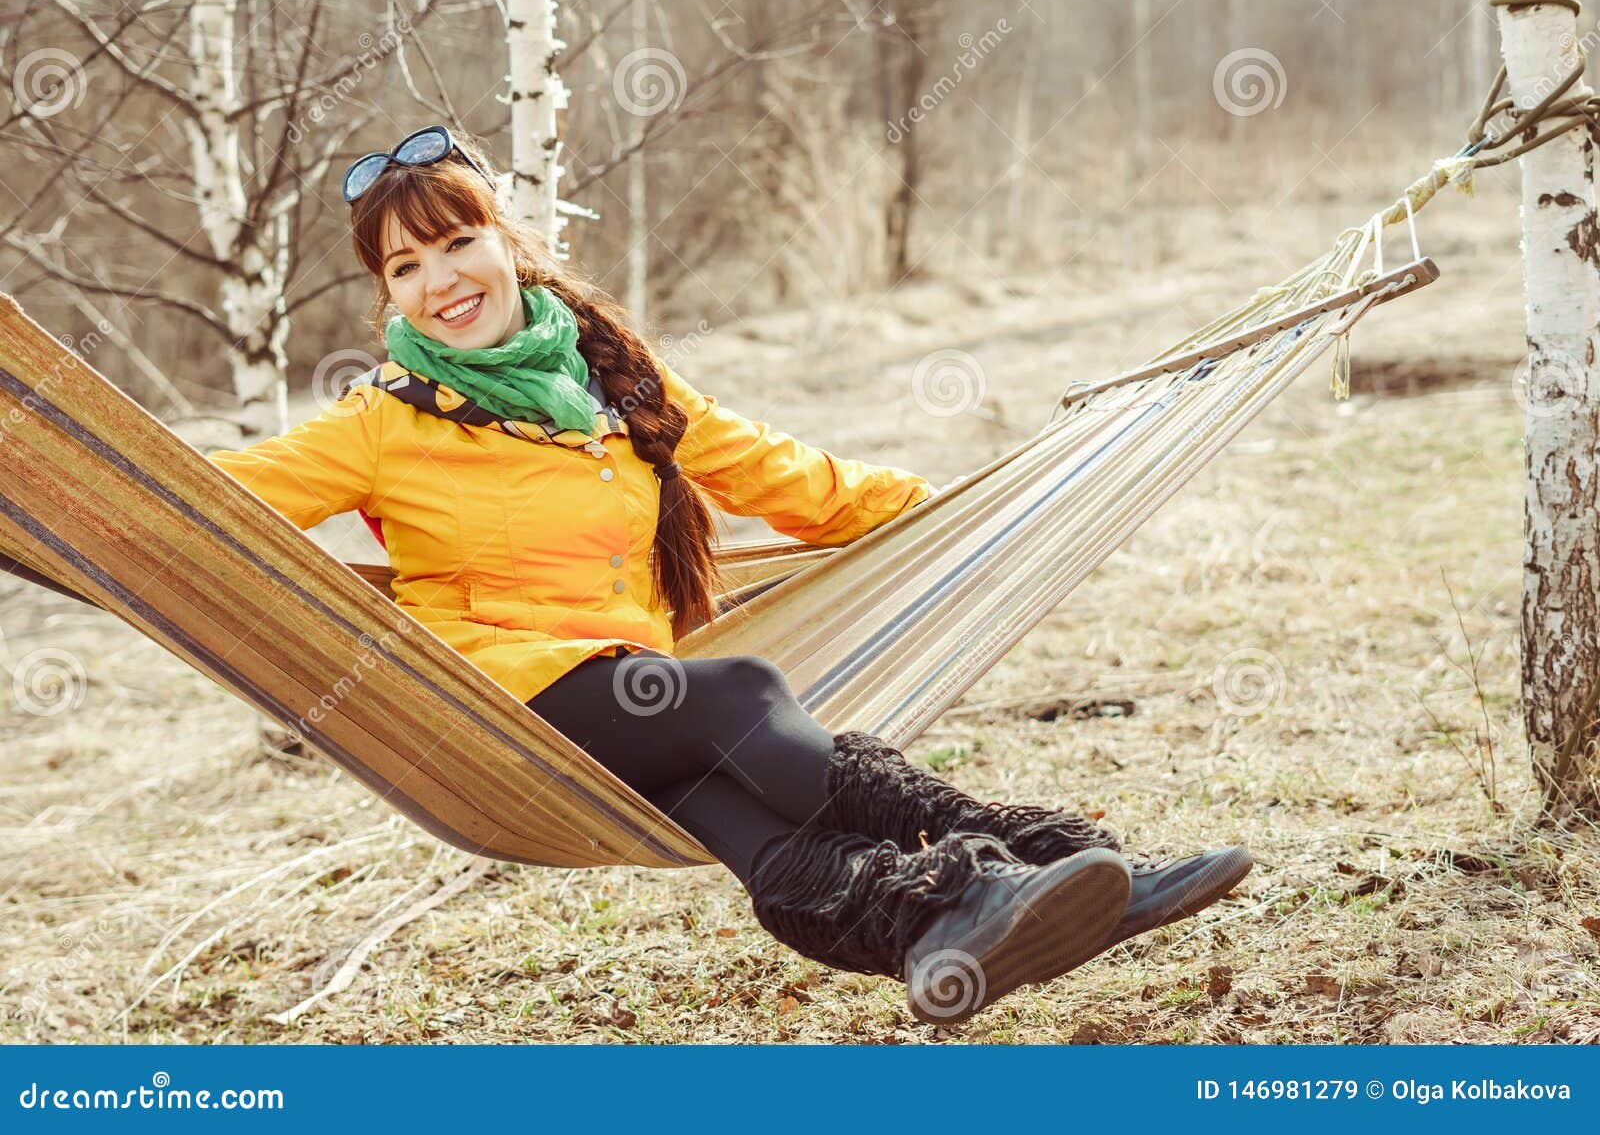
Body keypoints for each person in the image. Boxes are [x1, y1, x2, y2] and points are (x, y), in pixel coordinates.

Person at [206, 125, 1251, 1027]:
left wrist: (956, 506)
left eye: (455, 240)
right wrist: (91, 499)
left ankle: (935, 925)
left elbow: (768, 466)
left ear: (505, 242)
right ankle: (1022, 862)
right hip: (498, 704)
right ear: (384, 291)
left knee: (734, 805)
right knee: (741, 693)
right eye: (403, 266)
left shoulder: (611, 379)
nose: (439, 280)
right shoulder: (377, 424)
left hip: (626, 692)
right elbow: (205, 500)